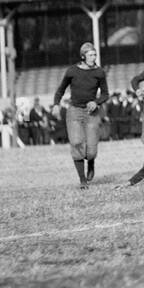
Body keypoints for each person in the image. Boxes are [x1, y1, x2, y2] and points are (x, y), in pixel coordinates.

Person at [52, 42, 110, 187]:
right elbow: (60, 90)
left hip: (92, 112)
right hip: (74, 111)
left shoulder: (99, 72)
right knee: (77, 143)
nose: (93, 57)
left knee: (91, 149)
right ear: (83, 56)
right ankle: (83, 180)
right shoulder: (72, 71)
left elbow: (105, 94)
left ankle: (91, 162)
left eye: (95, 54)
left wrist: (96, 102)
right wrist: (56, 104)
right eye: (90, 55)